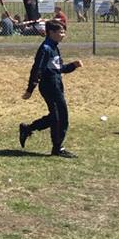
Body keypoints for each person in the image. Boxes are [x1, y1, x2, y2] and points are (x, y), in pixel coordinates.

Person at [19, 19, 84, 158]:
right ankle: (58, 148)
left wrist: (73, 66)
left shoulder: (54, 46)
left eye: (64, 31)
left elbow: (59, 69)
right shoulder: (46, 48)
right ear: (51, 33)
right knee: (62, 117)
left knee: (55, 117)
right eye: (60, 32)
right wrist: (30, 89)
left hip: (56, 84)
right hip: (49, 86)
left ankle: (28, 129)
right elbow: (37, 69)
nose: (63, 34)